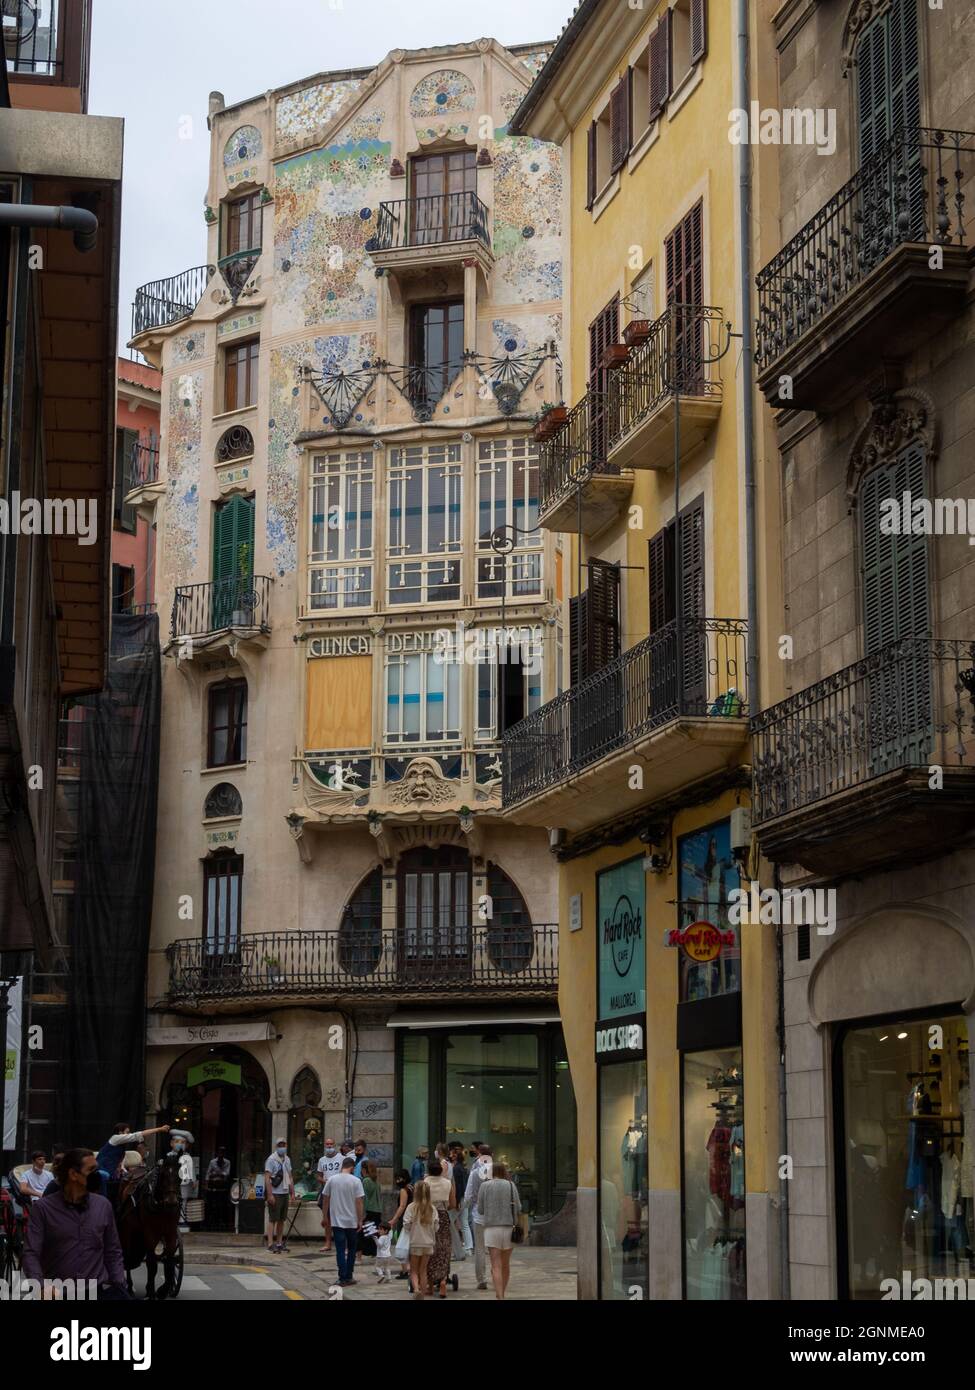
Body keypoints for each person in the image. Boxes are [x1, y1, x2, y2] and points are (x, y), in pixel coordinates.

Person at [23, 1147, 131, 1300]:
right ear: (73, 1174)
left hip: (96, 1291)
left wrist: (119, 1284)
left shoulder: (103, 1206)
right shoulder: (43, 1209)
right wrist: (40, 1287)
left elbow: (112, 1251)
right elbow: (31, 1253)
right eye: (91, 1170)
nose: (98, 1175)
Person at [477, 1160, 522, 1300]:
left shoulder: (484, 1186)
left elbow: (480, 1209)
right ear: (504, 1171)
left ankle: (500, 1296)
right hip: (509, 1228)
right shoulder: (511, 1185)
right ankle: (501, 1293)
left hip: (491, 1229)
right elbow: (519, 1207)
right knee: (505, 1265)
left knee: (495, 1265)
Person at [95, 1122, 169, 1199]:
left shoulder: (121, 1149)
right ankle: (103, 1200)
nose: (129, 1134)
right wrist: (159, 1129)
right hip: (101, 1170)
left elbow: (119, 1165)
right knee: (104, 1175)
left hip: (112, 1173)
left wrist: (123, 1171)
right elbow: (136, 1135)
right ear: (120, 1133)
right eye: (127, 1132)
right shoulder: (115, 1138)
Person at [322, 1155, 364, 1288]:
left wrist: (325, 1216)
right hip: (351, 1221)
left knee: (340, 1249)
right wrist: (360, 1219)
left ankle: (342, 1276)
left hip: (336, 1221)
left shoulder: (332, 1180)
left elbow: (325, 1199)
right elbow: (359, 1202)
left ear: (342, 1166)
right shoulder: (356, 1181)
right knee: (351, 1249)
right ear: (352, 1167)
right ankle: (349, 1276)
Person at [424, 1156, 457, 1298]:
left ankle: (430, 1284)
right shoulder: (448, 1183)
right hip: (443, 1216)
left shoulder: (425, 1182)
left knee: (430, 1248)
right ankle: (443, 1280)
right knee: (443, 1248)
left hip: (428, 1216)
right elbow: (453, 1204)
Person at [402, 1179, 438, 1299]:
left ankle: (416, 1289)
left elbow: (406, 1224)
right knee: (423, 1270)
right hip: (428, 1243)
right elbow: (436, 1227)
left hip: (415, 1242)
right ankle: (422, 1293)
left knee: (414, 1270)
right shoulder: (432, 1208)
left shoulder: (411, 1207)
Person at [463, 1143, 493, 1289]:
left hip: (479, 1214)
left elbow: (468, 1196)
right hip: (497, 1216)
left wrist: (470, 1204)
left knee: (480, 1249)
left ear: (480, 1155)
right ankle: (498, 1275)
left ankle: (482, 1279)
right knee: (495, 1249)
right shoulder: (499, 1171)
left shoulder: (475, 1172)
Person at [264, 1136, 295, 1254]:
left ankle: (279, 1243)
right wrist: (270, 1195)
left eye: (283, 1145)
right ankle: (270, 1244)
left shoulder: (287, 1159)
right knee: (273, 1219)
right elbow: (267, 1178)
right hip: (275, 1193)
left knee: (282, 1219)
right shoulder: (271, 1159)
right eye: (280, 1145)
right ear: (276, 1147)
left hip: (284, 1192)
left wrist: (292, 1192)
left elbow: (290, 1176)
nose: (282, 1147)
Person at [316, 1139, 343, 1252]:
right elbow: (318, 1176)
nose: (329, 1146)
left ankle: (341, 1242)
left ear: (334, 1145)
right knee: (327, 1217)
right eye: (327, 1144)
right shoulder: (322, 1160)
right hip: (327, 1190)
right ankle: (327, 1243)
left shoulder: (341, 1158)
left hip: (338, 1191)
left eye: (331, 1144)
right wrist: (324, 1181)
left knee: (340, 1217)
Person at [389, 1169, 414, 1279]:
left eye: (399, 1178)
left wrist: (394, 1219)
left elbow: (402, 1206)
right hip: (412, 1219)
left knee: (403, 1245)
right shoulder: (411, 1187)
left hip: (405, 1219)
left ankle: (405, 1270)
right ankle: (410, 1268)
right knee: (410, 1245)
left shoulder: (404, 1190)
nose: (397, 1181)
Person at [170, 1129, 196, 1233]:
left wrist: (193, 1180)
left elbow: (191, 1169)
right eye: (177, 1142)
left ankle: (182, 1219)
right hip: (172, 1182)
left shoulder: (188, 1157)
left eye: (183, 1142)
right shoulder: (169, 1155)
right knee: (172, 1200)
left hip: (184, 1182)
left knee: (183, 1200)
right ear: (171, 1143)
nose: (180, 1144)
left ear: (187, 1145)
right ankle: (173, 1219)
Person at [449, 1143, 472, 1256]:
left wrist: (457, 1201)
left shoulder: (457, 1169)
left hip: (460, 1198)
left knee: (449, 1221)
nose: (450, 1155)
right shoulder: (461, 1168)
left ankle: (456, 1247)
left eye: (452, 1154)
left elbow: (458, 1186)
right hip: (464, 1198)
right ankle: (468, 1248)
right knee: (464, 1223)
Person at [359, 1159, 382, 1257]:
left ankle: (366, 1251)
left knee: (365, 1233)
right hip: (377, 1210)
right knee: (373, 1232)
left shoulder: (366, 1181)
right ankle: (374, 1251)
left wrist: (362, 1213)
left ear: (364, 1170)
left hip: (369, 1210)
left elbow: (364, 1197)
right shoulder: (375, 1181)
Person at [204, 1147, 231, 1231]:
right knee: (212, 1205)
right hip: (213, 1187)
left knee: (222, 1205)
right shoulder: (212, 1162)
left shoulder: (227, 1162)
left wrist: (215, 1174)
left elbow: (227, 1174)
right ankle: (211, 1223)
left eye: (222, 1153)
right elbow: (208, 1174)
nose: (221, 1155)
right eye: (219, 1153)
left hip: (223, 1187)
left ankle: (222, 1222)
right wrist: (207, 1185)